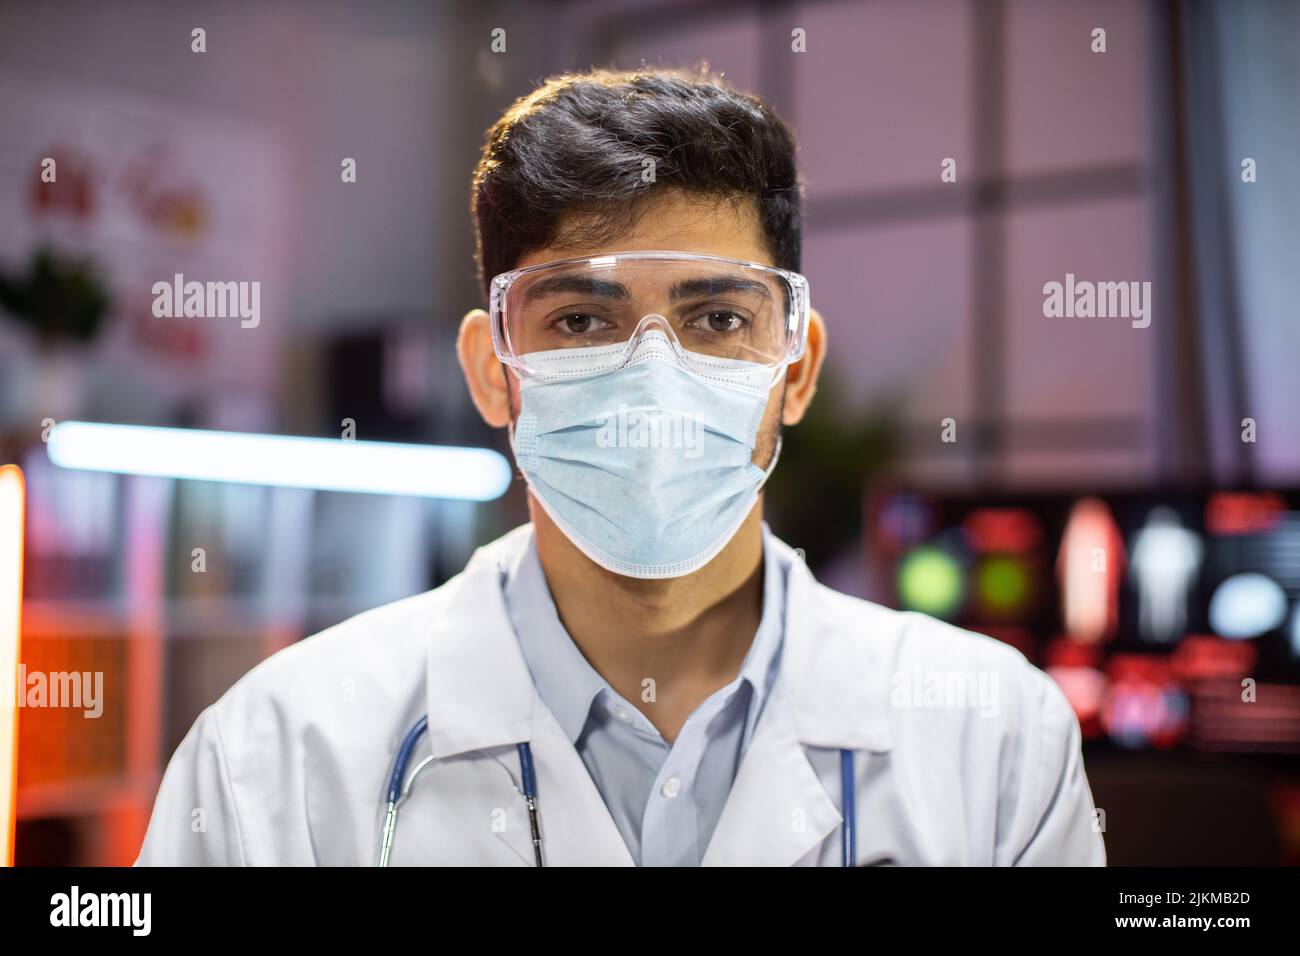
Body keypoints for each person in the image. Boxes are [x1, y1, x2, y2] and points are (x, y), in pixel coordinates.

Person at [136, 68, 1105, 866]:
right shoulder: (272, 762)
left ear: (795, 368)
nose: (651, 379)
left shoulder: (996, 742)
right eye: (581, 320)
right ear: (491, 369)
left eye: (716, 318)